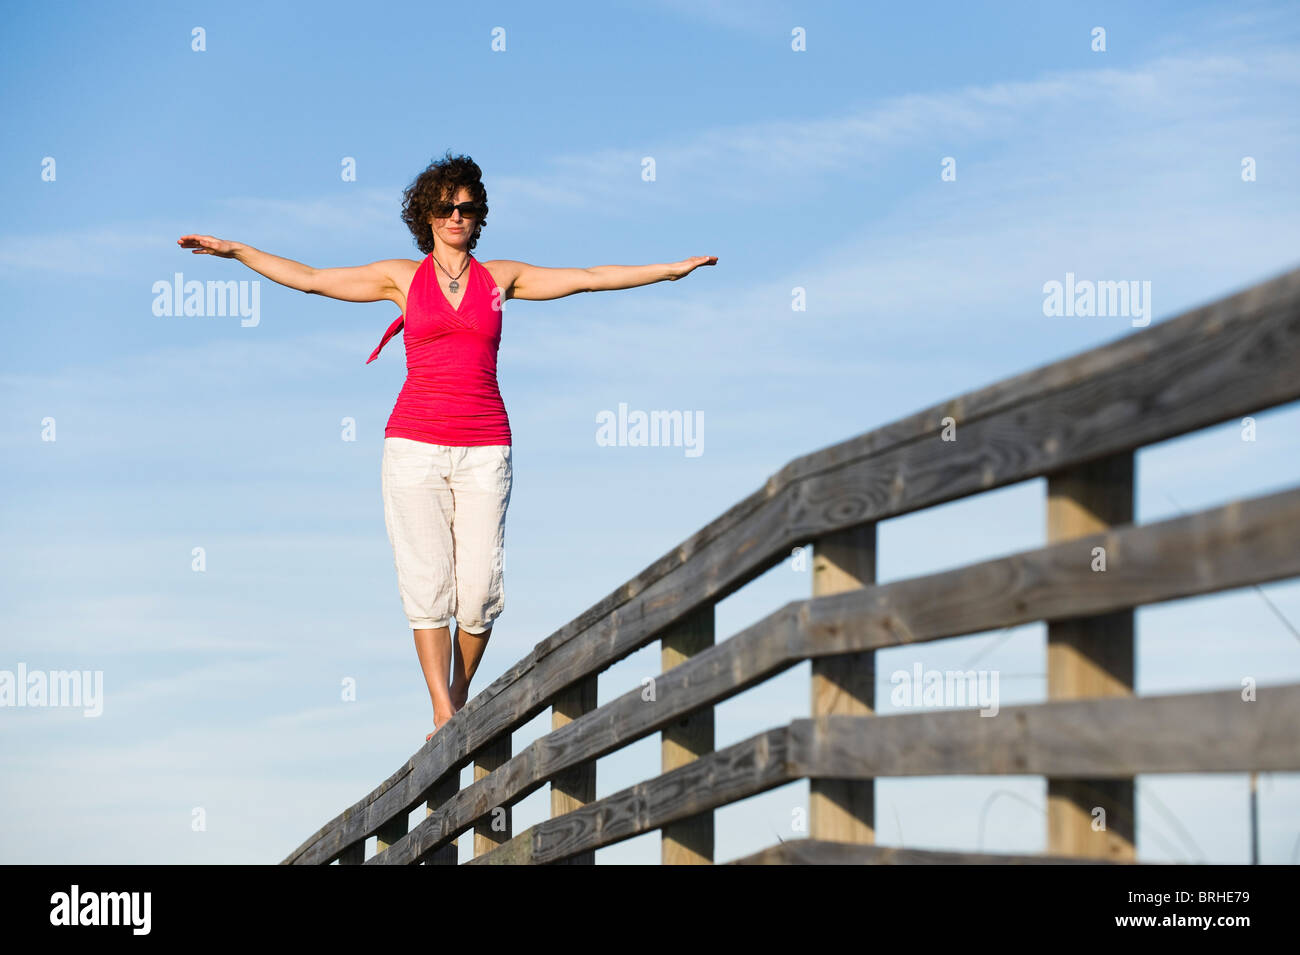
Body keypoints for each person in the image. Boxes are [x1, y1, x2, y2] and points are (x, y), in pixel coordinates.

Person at [178, 150, 717, 742]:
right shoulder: (402, 279)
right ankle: (444, 713)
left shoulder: (500, 279)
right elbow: (311, 279)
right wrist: (237, 253)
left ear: (479, 216)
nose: (457, 216)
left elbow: (587, 277)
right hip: (414, 445)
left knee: (480, 591)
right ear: (427, 217)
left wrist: (666, 270)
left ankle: (458, 696)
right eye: (446, 207)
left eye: (467, 207)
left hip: (486, 446)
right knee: (428, 582)